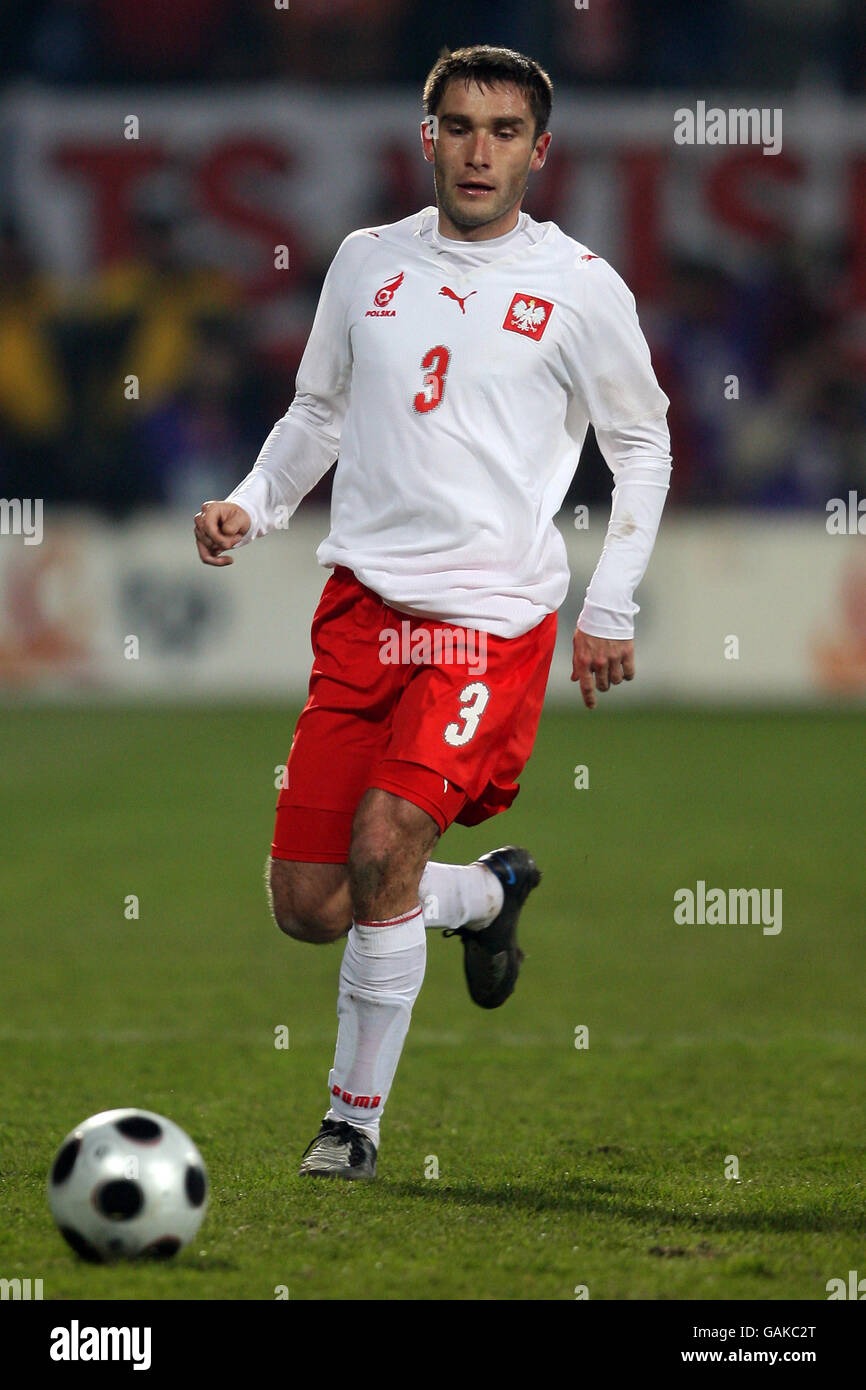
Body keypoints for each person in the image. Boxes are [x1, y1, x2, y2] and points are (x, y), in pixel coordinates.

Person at [194, 45, 672, 1180]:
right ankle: (488, 893)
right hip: (360, 612)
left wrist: (609, 600)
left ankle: (349, 1125)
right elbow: (316, 410)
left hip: (488, 627)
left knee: (383, 846)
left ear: (538, 151)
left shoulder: (580, 284)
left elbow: (642, 442)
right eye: (458, 125)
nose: (477, 149)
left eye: (503, 130)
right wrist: (251, 506)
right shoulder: (365, 263)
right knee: (311, 904)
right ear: (426, 137)